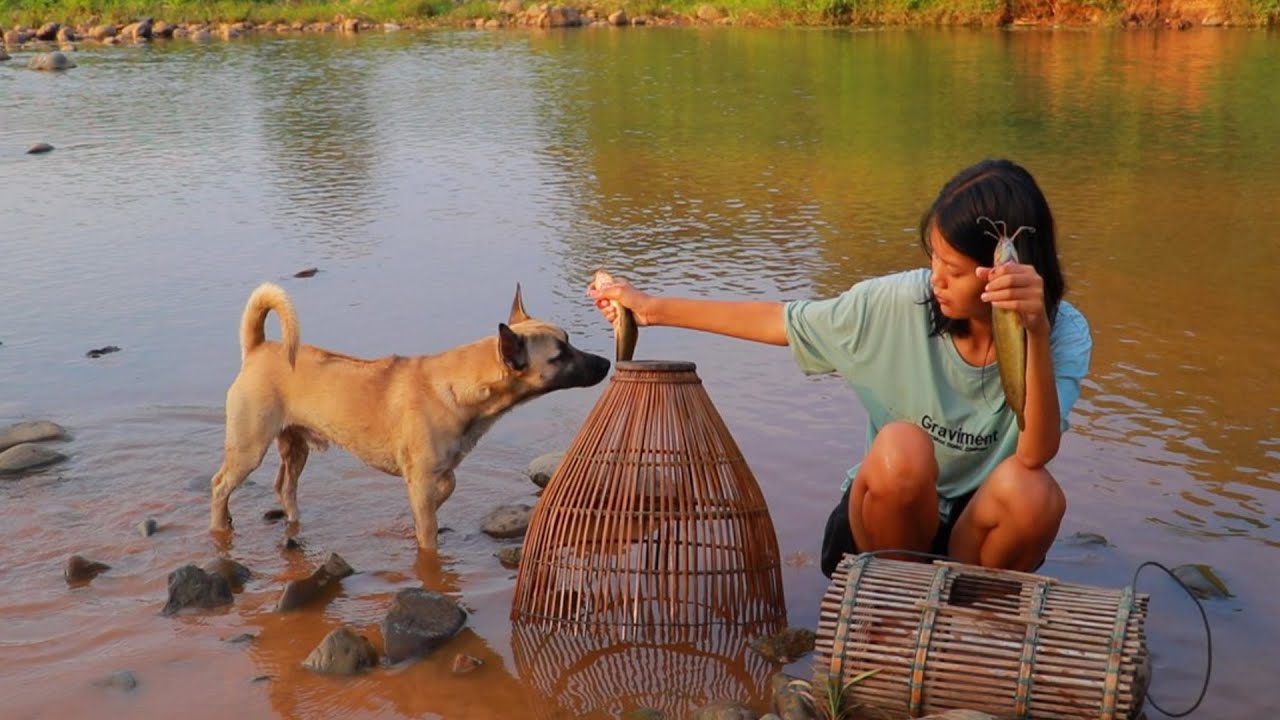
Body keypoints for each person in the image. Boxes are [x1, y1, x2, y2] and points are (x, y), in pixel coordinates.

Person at [587, 159, 1093, 577]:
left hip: (973, 536)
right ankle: (892, 603)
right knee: (902, 447)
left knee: (1035, 492)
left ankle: (966, 613)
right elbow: (780, 321)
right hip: (881, 529)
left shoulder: (1063, 332)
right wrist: (650, 309)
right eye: (934, 260)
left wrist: (1033, 333)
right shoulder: (898, 303)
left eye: (954, 270)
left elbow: (1035, 452)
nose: (936, 279)